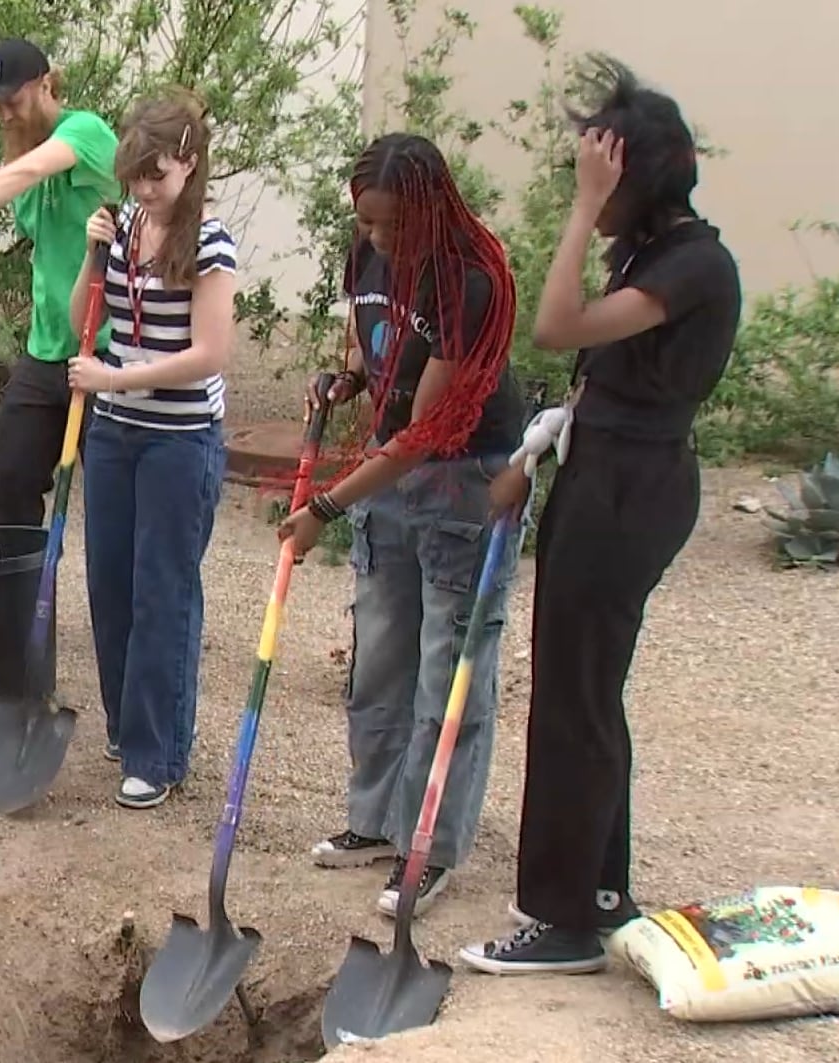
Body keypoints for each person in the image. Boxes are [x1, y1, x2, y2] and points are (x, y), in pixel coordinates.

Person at [460, 57, 742, 975]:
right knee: (585, 689)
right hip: (605, 473)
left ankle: (564, 917)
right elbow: (591, 382)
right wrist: (534, 457)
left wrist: (583, 208)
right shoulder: (657, 254)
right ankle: (604, 890)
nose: (587, 183)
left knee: (574, 698)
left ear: (638, 174)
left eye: (602, 167)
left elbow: (557, 326)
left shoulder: (696, 264)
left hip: (634, 487)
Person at [275, 132, 525, 916]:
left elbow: (420, 433)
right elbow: (367, 335)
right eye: (367, 224)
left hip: (461, 475)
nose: (377, 239)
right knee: (380, 657)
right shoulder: (372, 250)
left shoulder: (470, 281)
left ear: (428, 209)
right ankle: (377, 821)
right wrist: (347, 377)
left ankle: (432, 846)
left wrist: (324, 506)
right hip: (389, 467)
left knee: (448, 671)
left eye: (389, 225)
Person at [68, 92, 237, 810]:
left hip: (180, 438)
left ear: (189, 164)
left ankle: (158, 750)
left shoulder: (210, 242)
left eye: (156, 175)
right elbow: (83, 317)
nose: (142, 188)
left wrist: (118, 376)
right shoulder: (123, 226)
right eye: (134, 174)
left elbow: (209, 354)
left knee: (161, 590)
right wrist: (90, 253)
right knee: (109, 583)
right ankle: (124, 726)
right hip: (114, 430)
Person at [0, 38, 120, 531]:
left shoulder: (84, 131)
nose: (4, 115)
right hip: (45, 353)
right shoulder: (22, 152)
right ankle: (20, 607)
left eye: (12, 102)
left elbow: (29, 171)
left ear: (46, 86)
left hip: (105, 347)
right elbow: (21, 175)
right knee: (15, 480)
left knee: (111, 501)